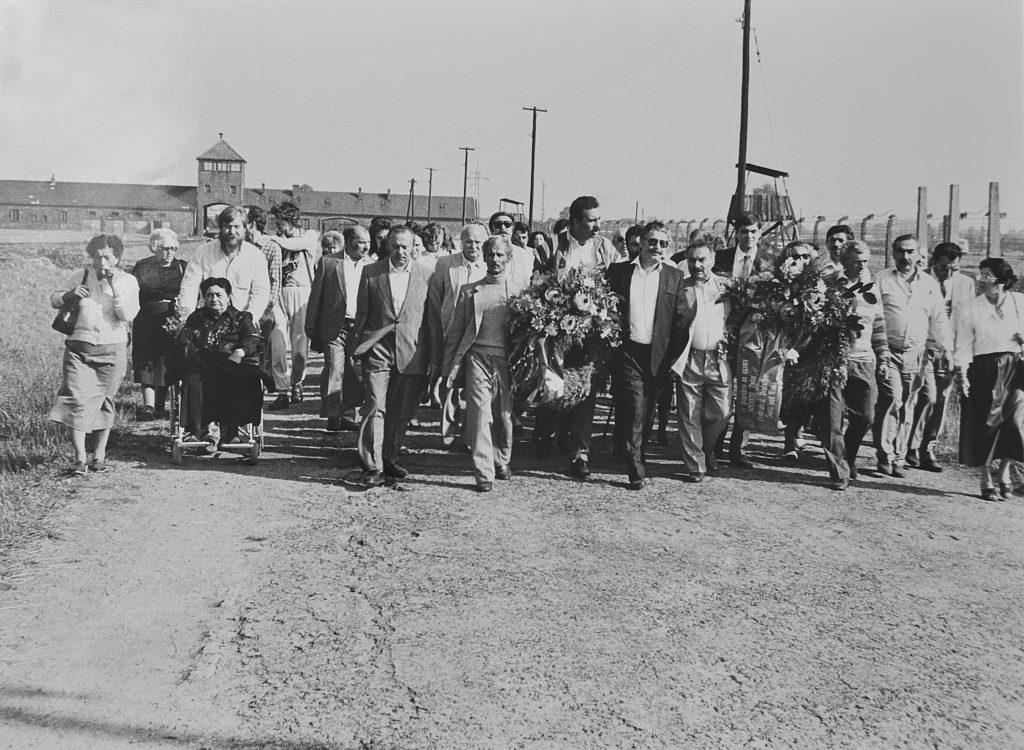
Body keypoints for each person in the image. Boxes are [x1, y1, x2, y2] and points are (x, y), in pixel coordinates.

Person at [537, 196, 619, 479]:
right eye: (591, 220)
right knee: (553, 384)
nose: (597, 225)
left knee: (585, 389)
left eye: (599, 219)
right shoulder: (550, 246)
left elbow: (615, 286)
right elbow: (536, 285)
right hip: (555, 331)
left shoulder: (606, 249)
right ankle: (546, 434)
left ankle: (579, 453)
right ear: (574, 221)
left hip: (591, 333)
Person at [606, 221, 689, 489]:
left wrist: (672, 358)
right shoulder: (619, 272)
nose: (657, 248)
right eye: (652, 242)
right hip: (628, 352)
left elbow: (680, 321)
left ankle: (633, 454)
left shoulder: (673, 277)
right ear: (641, 243)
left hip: (658, 356)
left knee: (647, 411)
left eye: (663, 243)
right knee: (634, 408)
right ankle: (636, 470)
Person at [48, 234, 140, 475]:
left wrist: (111, 288)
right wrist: (70, 295)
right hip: (79, 348)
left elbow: (127, 315)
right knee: (76, 399)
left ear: (118, 258)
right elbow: (54, 299)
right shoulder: (80, 275)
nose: (102, 262)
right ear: (91, 257)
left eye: (107, 256)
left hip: (112, 348)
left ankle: (99, 454)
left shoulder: (128, 281)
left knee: (103, 401)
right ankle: (80, 458)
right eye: (97, 256)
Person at [443, 237, 528, 491]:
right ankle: (484, 473)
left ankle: (501, 459)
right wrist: (448, 366)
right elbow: (456, 332)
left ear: (508, 258)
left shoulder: (520, 292)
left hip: (506, 361)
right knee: (480, 414)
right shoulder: (470, 290)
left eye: (500, 255)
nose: (495, 260)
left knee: (503, 415)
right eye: (490, 254)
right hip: (476, 358)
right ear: (484, 257)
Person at [351, 226, 434, 485]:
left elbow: (432, 321)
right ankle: (372, 466)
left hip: (411, 351)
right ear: (388, 246)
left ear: (413, 247)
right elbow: (362, 316)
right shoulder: (371, 273)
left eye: (405, 246)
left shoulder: (427, 276)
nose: (400, 251)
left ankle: (389, 457)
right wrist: (356, 350)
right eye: (395, 246)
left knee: (400, 410)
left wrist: (433, 357)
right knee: (375, 405)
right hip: (378, 348)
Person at [814, 241, 891, 490]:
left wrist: (884, 356)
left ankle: (848, 456)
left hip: (864, 360)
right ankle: (839, 472)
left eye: (865, 261)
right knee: (832, 421)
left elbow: (878, 325)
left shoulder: (872, 289)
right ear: (845, 262)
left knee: (866, 416)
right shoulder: (831, 285)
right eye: (856, 261)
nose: (862, 265)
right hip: (836, 361)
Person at [873, 235, 952, 477]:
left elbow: (939, 320)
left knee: (913, 404)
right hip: (888, 351)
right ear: (893, 252)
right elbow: (872, 314)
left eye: (910, 252)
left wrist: (946, 350)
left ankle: (899, 455)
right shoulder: (882, 280)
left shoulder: (928, 284)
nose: (905, 257)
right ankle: (885, 455)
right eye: (900, 251)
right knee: (893, 400)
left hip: (917, 354)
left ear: (919, 254)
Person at [954, 258, 1024, 501]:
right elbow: (963, 343)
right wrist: (962, 373)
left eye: (986, 276)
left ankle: (1003, 473)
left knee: (1014, 423)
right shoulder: (971, 308)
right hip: (984, 369)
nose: (980, 280)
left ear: (1002, 279)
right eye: (980, 275)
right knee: (988, 424)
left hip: (1015, 369)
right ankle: (985, 477)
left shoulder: (1020, 303)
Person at [906, 241, 976, 472]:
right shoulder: (918, 280)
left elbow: (967, 321)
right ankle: (909, 445)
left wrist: (961, 354)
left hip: (950, 351)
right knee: (925, 397)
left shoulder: (966, 284)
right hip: (922, 347)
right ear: (935, 262)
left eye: (953, 268)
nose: (948, 273)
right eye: (944, 267)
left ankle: (928, 447)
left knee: (942, 400)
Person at [173, 277, 265, 449]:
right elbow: (187, 339)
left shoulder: (241, 318)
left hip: (232, 364)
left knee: (238, 378)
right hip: (204, 364)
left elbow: (252, 340)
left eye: (218, 295)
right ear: (203, 298)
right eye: (209, 295)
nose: (214, 299)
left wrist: (239, 352)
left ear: (228, 296)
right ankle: (197, 430)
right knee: (192, 376)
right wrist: (190, 349)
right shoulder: (196, 318)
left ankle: (232, 433)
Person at [671, 242, 731, 482]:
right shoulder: (680, 288)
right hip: (690, 357)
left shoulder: (728, 287)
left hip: (720, 358)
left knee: (721, 412)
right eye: (693, 260)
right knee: (689, 414)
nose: (697, 265)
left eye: (702, 259)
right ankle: (696, 466)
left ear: (713, 260)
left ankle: (706, 451)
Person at [713, 211, 768, 468]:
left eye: (753, 231)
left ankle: (738, 449)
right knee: (721, 389)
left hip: (753, 335)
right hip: (723, 330)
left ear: (760, 232)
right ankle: (714, 445)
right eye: (743, 231)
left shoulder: (769, 263)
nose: (748, 236)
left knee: (747, 391)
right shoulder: (721, 258)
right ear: (736, 233)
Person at [305, 225, 372, 432]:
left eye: (368, 242)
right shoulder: (329, 263)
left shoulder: (372, 265)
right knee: (334, 368)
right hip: (335, 326)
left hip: (359, 327)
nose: (366, 247)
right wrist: (311, 327)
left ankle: (349, 415)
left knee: (354, 372)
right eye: (362, 242)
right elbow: (316, 297)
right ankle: (332, 415)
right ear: (350, 241)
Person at [428, 222, 489, 446]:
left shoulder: (490, 264)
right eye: (468, 241)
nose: (473, 246)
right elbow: (436, 299)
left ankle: (470, 433)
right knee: (450, 381)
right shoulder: (445, 264)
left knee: (475, 386)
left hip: (479, 334)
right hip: (451, 330)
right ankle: (448, 431)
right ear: (460, 242)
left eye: (478, 242)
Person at [266, 202, 320, 410]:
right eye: (276, 223)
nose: (279, 227)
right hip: (278, 291)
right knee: (278, 341)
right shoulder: (277, 239)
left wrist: (269, 238)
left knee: (299, 344)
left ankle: (297, 382)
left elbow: (292, 246)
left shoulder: (309, 235)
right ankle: (282, 390)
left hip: (302, 291)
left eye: (281, 222)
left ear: (291, 220)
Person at [177, 206, 270, 321]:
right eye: (227, 227)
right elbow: (190, 285)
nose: (232, 232)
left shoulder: (255, 256)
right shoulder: (203, 252)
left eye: (236, 227)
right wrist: (186, 316)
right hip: (207, 319)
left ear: (244, 229)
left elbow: (261, 291)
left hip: (241, 320)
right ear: (220, 228)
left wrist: (251, 318)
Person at [131, 228, 186, 419]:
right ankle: (148, 406)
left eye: (173, 248)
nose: (170, 252)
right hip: (146, 320)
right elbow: (132, 293)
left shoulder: (182, 267)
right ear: (154, 248)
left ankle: (161, 405)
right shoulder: (142, 266)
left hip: (173, 320)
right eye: (165, 248)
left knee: (166, 361)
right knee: (147, 360)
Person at [488, 211, 537, 284]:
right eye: (498, 225)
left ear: (512, 229)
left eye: (507, 225)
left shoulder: (524, 255)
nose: (503, 228)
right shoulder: (483, 253)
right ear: (492, 229)